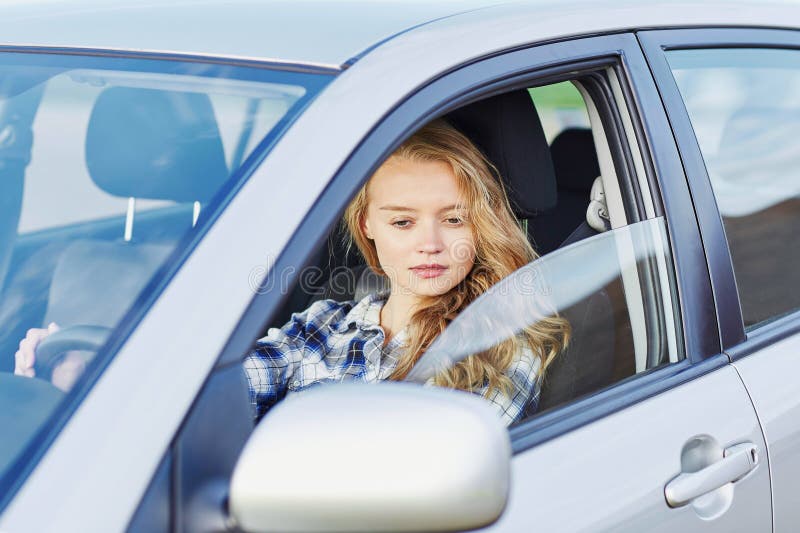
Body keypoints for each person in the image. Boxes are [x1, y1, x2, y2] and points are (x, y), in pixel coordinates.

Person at [15, 119, 570, 426]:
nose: (429, 244)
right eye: (402, 222)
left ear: (479, 225)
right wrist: (96, 373)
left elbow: (423, 479)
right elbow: (232, 385)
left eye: (452, 220)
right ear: (367, 226)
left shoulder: (501, 342)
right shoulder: (325, 322)